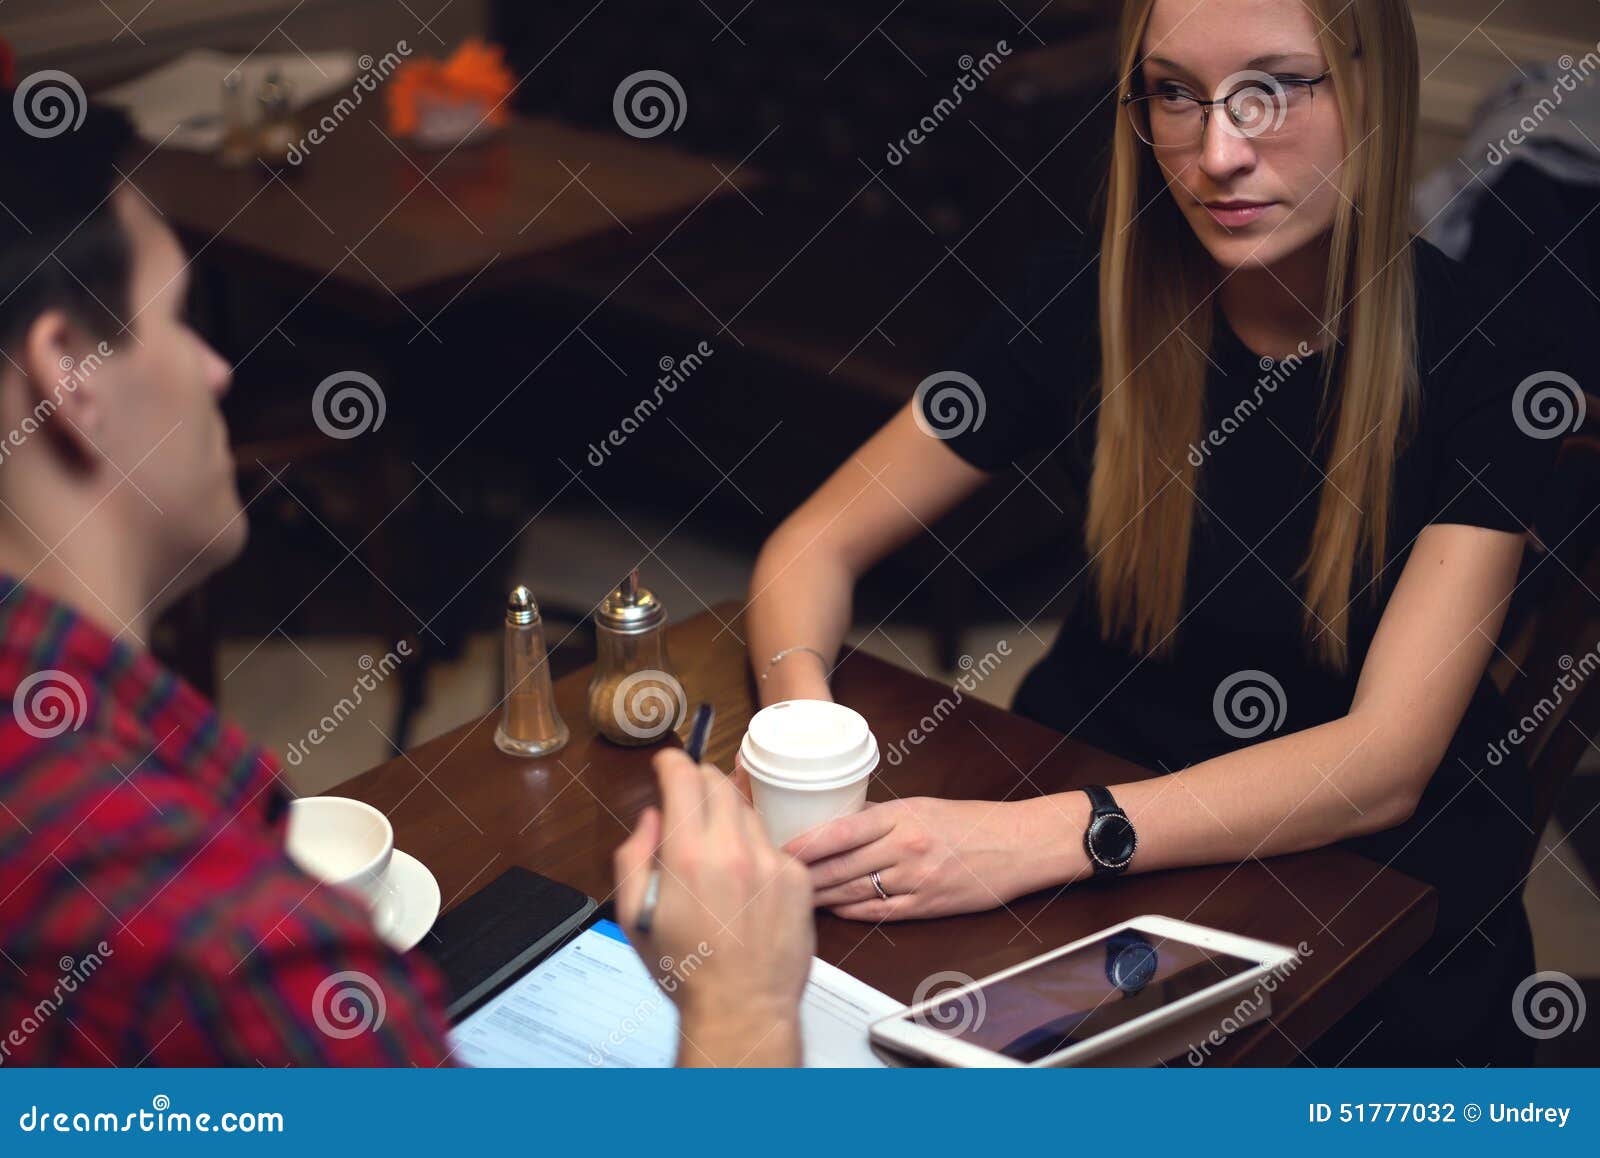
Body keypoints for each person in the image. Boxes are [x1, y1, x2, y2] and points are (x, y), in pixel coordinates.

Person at [746, 0, 1563, 1065]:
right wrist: (807, 744)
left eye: (1274, 87)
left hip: (1365, 893)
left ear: (1373, 87)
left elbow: (1381, 763)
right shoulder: (1089, 293)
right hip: (1089, 816)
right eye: (1174, 93)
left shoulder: (1492, 357)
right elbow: (813, 545)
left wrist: (1045, 837)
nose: (1217, 153)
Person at [0, 93, 812, 1067]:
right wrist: (744, 1003)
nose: (217, 370)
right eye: (177, 318)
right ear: (70, 373)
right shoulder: (230, 946)